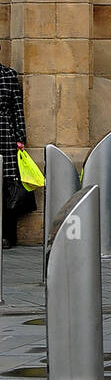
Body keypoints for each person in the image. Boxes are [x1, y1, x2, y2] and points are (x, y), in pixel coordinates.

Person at [0, 51, 31, 250]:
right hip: (6, 132)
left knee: (8, 187)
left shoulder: (8, 75)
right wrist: (19, 135)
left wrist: (20, 137)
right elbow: (17, 108)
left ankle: (8, 236)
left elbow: (16, 108)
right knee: (7, 186)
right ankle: (7, 237)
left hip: (4, 133)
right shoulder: (8, 74)